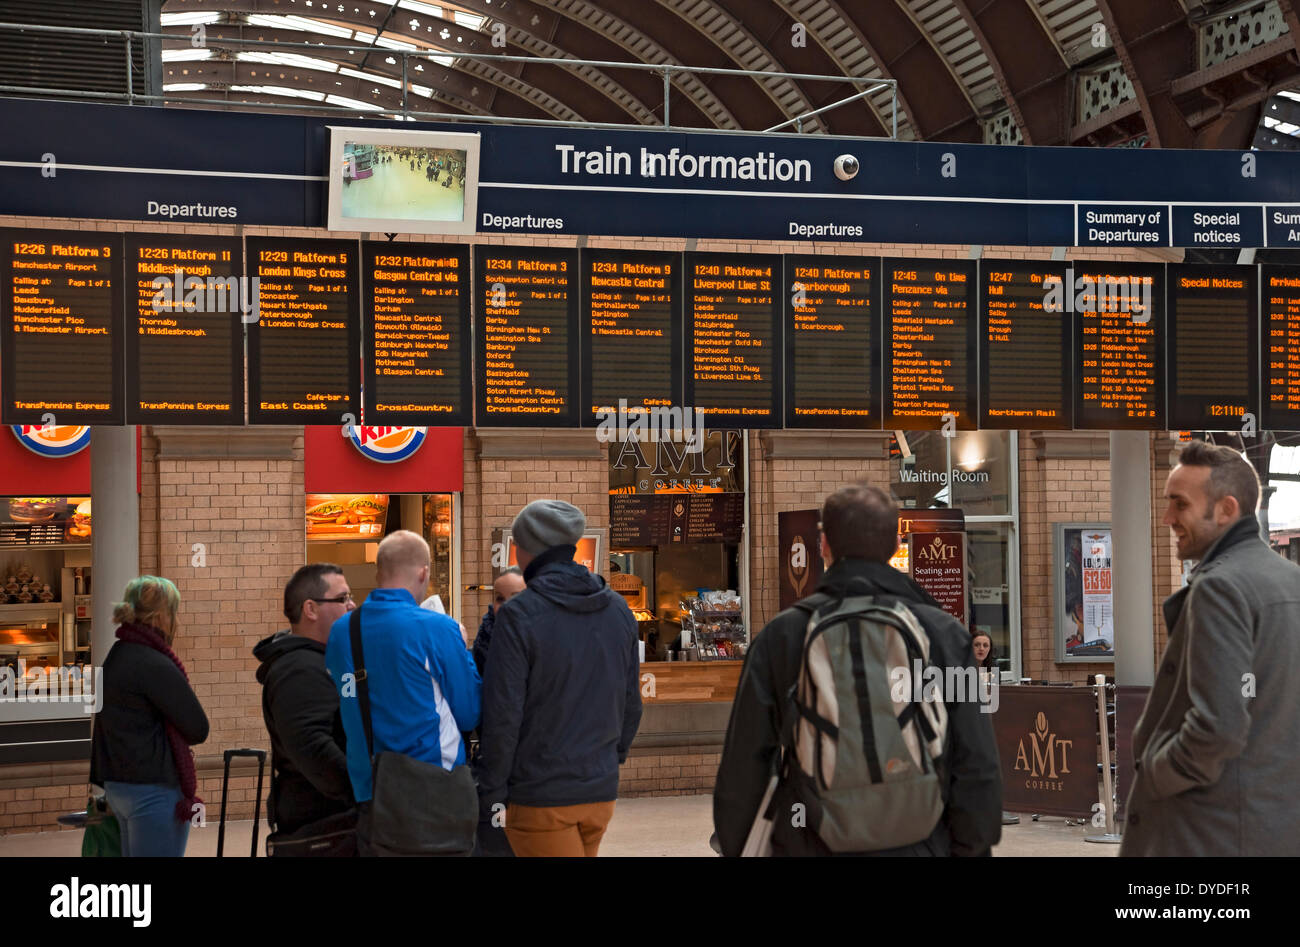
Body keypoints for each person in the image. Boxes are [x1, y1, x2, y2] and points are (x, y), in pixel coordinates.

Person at [713, 484, 1002, 856]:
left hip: (809, 840)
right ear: (897, 543)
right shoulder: (944, 635)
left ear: (823, 546)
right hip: (923, 842)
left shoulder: (781, 638)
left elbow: (744, 765)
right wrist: (970, 848)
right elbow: (976, 760)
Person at [1121, 440, 1300, 856]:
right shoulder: (1290, 580)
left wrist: (1155, 770)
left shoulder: (1219, 587)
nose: (1167, 518)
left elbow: (1217, 728)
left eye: (1179, 504)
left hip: (1207, 833)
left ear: (1226, 509)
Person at [478, 500, 642, 857]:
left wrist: (491, 792)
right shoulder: (618, 609)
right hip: (599, 790)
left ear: (526, 551)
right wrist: (609, 760)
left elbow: (503, 713)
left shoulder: (519, 615)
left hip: (539, 793)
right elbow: (631, 702)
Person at [325, 531, 481, 853]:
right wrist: (461, 649)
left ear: (378, 571)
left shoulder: (342, 631)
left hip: (371, 789)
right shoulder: (438, 628)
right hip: (434, 790)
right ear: (424, 572)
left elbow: (348, 694)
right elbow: (469, 713)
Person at [89, 576, 208, 857]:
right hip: (153, 790)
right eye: (173, 612)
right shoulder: (153, 662)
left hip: (119, 787)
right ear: (161, 616)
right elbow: (198, 728)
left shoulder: (117, 655)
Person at [253, 564, 356, 848]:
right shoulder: (298, 670)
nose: (352, 605)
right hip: (323, 832)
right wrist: (365, 789)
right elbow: (313, 747)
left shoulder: (321, 661)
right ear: (310, 609)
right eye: (342, 598)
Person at [472, 566, 525, 678]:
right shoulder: (482, 641)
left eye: (515, 599)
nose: (506, 606)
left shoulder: (546, 640)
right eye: (500, 599)